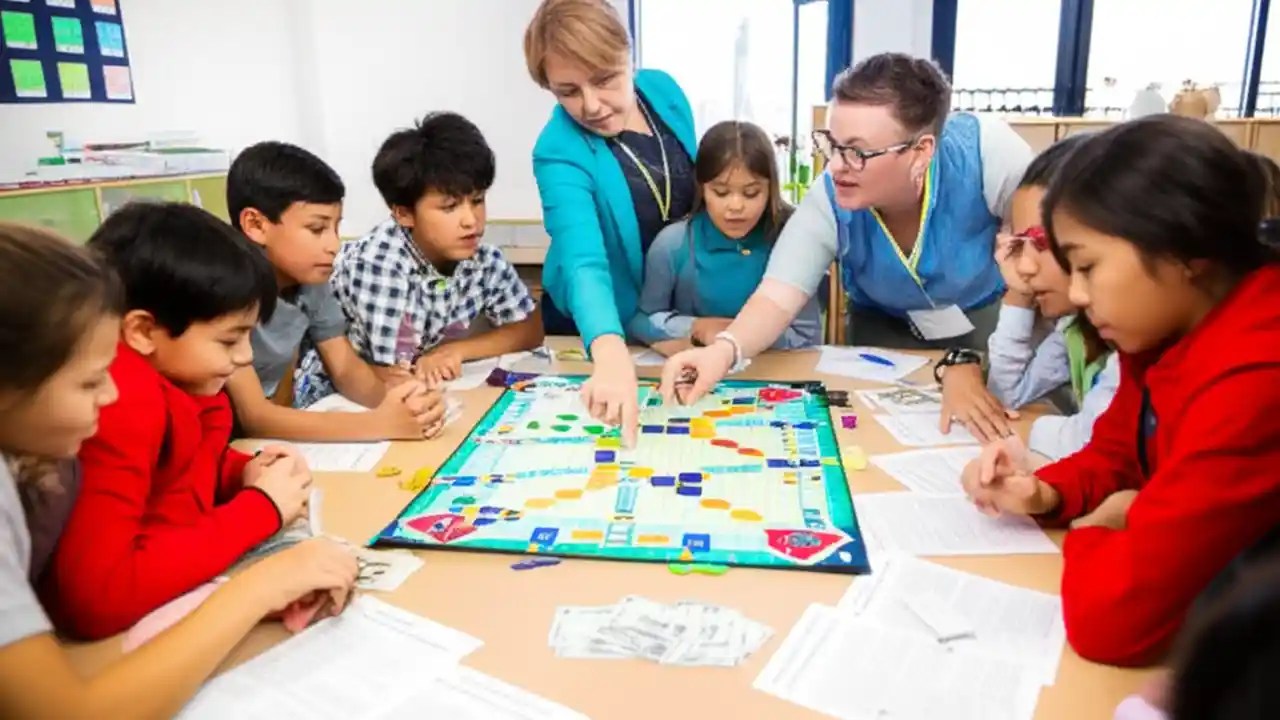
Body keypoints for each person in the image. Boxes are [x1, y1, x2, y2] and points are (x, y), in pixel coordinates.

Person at [959, 115, 1280, 666]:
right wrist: (1044, 492)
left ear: (1186, 251)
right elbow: (1115, 453)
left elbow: (1111, 623)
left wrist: (1100, 526)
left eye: (1086, 266)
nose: (1079, 295)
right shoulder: (1163, 334)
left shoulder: (1256, 377)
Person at [0, 222, 356, 719]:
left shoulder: (168, 391)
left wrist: (239, 472)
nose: (109, 394)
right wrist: (261, 580)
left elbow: (174, 466)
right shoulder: (128, 400)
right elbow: (74, 687)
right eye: (90, 382)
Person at [659, 53, 1033, 404]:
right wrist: (723, 352)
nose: (836, 166)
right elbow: (776, 297)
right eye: (833, 145)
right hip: (882, 332)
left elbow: (1037, 264)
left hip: (987, 321)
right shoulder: (828, 197)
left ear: (920, 151)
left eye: (857, 152)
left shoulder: (987, 154)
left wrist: (978, 358)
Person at [41, 203, 317, 640]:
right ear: (142, 332)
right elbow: (97, 598)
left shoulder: (180, 382)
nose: (245, 356)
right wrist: (261, 509)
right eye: (229, 340)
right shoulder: (118, 400)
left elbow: (174, 472)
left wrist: (241, 471)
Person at [526, 0, 697, 444]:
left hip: (662, 317)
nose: (591, 105)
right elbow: (583, 263)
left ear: (628, 53)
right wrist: (609, 352)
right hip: (596, 326)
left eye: (604, 79)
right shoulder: (557, 149)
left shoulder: (664, 92)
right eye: (567, 91)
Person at [222, 141, 445, 441]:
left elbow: (346, 370)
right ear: (256, 225)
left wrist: (405, 407)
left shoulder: (309, 281)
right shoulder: (224, 292)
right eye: (317, 229)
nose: (334, 245)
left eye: (336, 228)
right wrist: (380, 425)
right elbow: (256, 418)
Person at [329, 112, 542, 390]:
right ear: (404, 214)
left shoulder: (482, 258)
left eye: (477, 200)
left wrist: (455, 351)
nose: (471, 220)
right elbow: (395, 374)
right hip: (342, 395)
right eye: (449, 207)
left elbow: (530, 330)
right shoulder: (378, 265)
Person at [935, 135, 1118, 455]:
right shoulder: (1075, 327)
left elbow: (1091, 440)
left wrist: (1031, 433)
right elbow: (1009, 394)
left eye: (1043, 242)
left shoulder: (1130, 342)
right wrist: (1019, 293)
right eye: (1020, 245)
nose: (1026, 265)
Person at [629, 121, 821, 355]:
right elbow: (642, 322)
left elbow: (807, 335)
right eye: (721, 192)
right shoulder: (673, 244)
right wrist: (696, 327)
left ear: (770, 189)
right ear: (702, 188)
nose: (736, 206)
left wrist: (738, 336)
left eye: (751, 193)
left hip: (772, 370)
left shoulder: (792, 241)